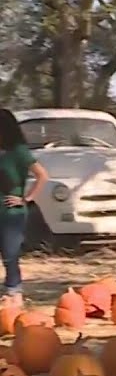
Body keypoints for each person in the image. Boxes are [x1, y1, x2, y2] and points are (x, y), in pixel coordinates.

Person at [0, 109, 50, 305]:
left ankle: (13, 292)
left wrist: (26, 198)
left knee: (10, 254)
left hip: (12, 213)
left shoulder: (19, 152)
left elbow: (42, 175)